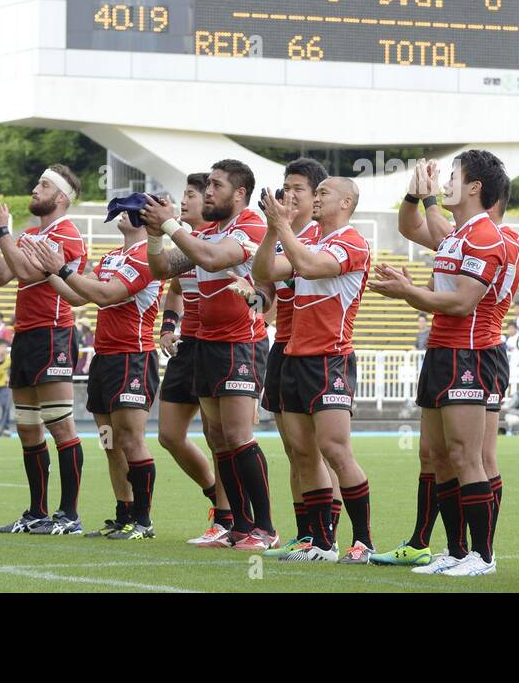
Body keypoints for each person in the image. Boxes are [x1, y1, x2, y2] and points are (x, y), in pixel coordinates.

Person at [371, 149, 510, 576]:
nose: (445, 183)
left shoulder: (485, 236)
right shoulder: (456, 233)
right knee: (437, 454)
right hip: (442, 351)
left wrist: (408, 294)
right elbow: (411, 223)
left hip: (470, 354)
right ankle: (454, 550)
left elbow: (462, 301)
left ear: (474, 188)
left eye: (453, 177)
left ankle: (482, 557)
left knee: (467, 455)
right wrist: (418, 195)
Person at [142, 159, 279, 551]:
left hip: (241, 343)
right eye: (208, 185)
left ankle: (266, 528)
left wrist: (171, 225)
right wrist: (156, 235)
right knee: (218, 438)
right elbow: (163, 267)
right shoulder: (213, 231)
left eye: (216, 185)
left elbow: (215, 259)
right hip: (207, 344)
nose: (208, 192)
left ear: (239, 193)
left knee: (237, 435)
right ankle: (238, 525)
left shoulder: (249, 225)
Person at [25, 208, 164, 540]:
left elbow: (105, 295)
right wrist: (50, 271)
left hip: (133, 356)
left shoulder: (146, 256)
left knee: (131, 438)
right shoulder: (112, 257)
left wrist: (59, 267)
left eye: (131, 209)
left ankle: (143, 520)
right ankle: (124, 513)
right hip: (104, 359)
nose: (122, 213)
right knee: (110, 442)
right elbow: (79, 296)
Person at [256, 175, 374, 563]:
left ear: (345, 203)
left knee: (335, 450)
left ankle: (363, 541)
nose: (316, 199)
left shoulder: (351, 242)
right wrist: (274, 231)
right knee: (303, 453)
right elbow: (264, 272)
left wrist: (284, 229)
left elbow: (306, 266)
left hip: (330, 358)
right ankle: (321, 542)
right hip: (293, 356)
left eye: (323, 193)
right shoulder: (308, 241)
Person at [0, 165, 89, 535]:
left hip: (53, 334)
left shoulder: (66, 232)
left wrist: (3, 232)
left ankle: (69, 515)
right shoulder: (30, 234)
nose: (34, 188)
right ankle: (37, 512)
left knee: (61, 425)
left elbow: (28, 273)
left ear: (61, 197)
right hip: (27, 335)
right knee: (28, 428)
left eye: (43, 185)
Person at [155, 174, 232, 546]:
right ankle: (217, 493)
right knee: (169, 435)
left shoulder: (219, 239)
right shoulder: (191, 241)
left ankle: (229, 516)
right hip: (188, 346)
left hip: (220, 344)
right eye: (182, 194)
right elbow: (171, 286)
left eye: (191, 195)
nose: (183, 201)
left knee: (219, 435)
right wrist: (168, 326)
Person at [257, 159, 329, 556]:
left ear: (317, 195)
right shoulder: (280, 237)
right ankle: (306, 532)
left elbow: (308, 271)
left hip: (315, 350)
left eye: (298, 188)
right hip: (283, 346)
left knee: (318, 450)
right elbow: (268, 287)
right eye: (286, 186)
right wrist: (258, 298)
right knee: (293, 448)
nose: (289, 194)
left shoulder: (322, 236)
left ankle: (326, 533)